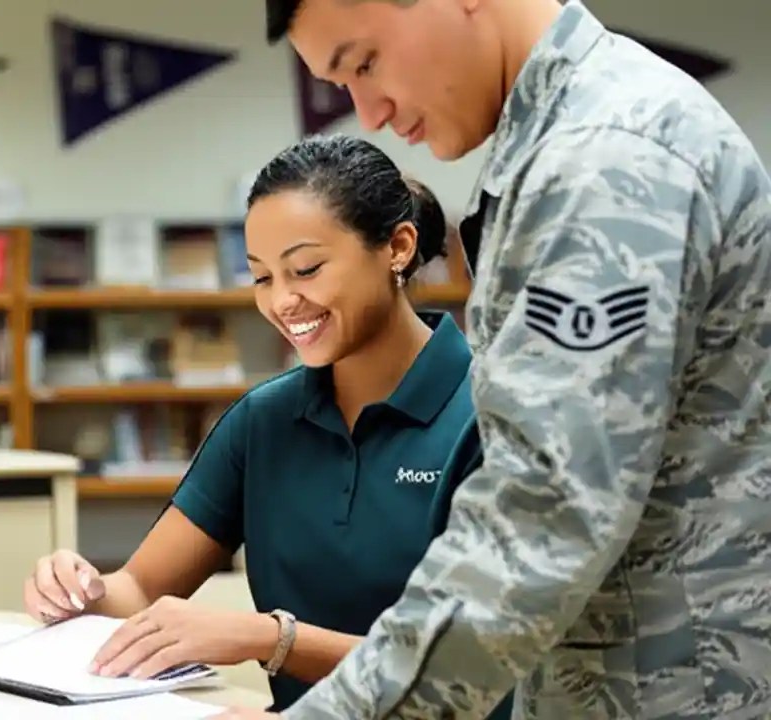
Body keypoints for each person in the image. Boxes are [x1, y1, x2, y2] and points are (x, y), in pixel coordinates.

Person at [213, 0, 771, 718]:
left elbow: (542, 520)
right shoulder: (558, 144)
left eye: (364, 63)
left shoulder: (601, 160)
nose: (370, 112)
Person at [24, 134, 509, 718]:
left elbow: (472, 668)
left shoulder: (495, 418)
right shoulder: (263, 422)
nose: (283, 301)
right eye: (261, 277)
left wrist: (269, 639)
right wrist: (81, 593)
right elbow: (142, 589)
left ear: (397, 248)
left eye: (305, 269)